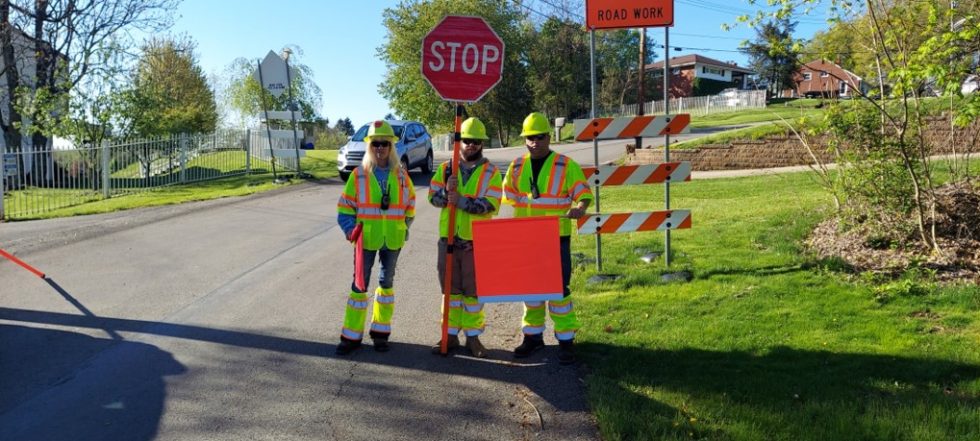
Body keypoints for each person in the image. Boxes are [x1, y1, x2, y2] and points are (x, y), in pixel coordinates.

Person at [502, 112, 593, 365]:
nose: (534, 142)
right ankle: (533, 337)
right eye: (530, 138)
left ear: (548, 137)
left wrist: (581, 208)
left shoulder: (565, 165)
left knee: (559, 290)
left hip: (555, 237)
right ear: (524, 139)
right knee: (530, 290)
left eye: (539, 137)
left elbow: (583, 193)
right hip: (527, 238)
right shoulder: (517, 166)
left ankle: (566, 342)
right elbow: (508, 195)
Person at [335, 120, 416, 355]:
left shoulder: (401, 175)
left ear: (391, 146)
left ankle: (380, 334)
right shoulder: (358, 175)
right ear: (369, 146)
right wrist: (351, 231)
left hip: (392, 240)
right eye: (375, 144)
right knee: (359, 286)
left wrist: (404, 227)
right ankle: (351, 337)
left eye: (385, 144)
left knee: (386, 284)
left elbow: (410, 205)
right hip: (366, 241)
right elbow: (344, 208)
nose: (380, 148)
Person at [428, 117, 503, 358]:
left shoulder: (491, 171)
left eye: (476, 141)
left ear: (482, 144)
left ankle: (473, 338)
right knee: (450, 292)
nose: (471, 145)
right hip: (448, 240)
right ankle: (449, 336)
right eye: (467, 140)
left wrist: (460, 201)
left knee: (474, 293)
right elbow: (432, 197)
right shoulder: (446, 168)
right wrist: (445, 191)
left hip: (476, 242)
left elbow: (490, 204)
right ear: (458, 142)